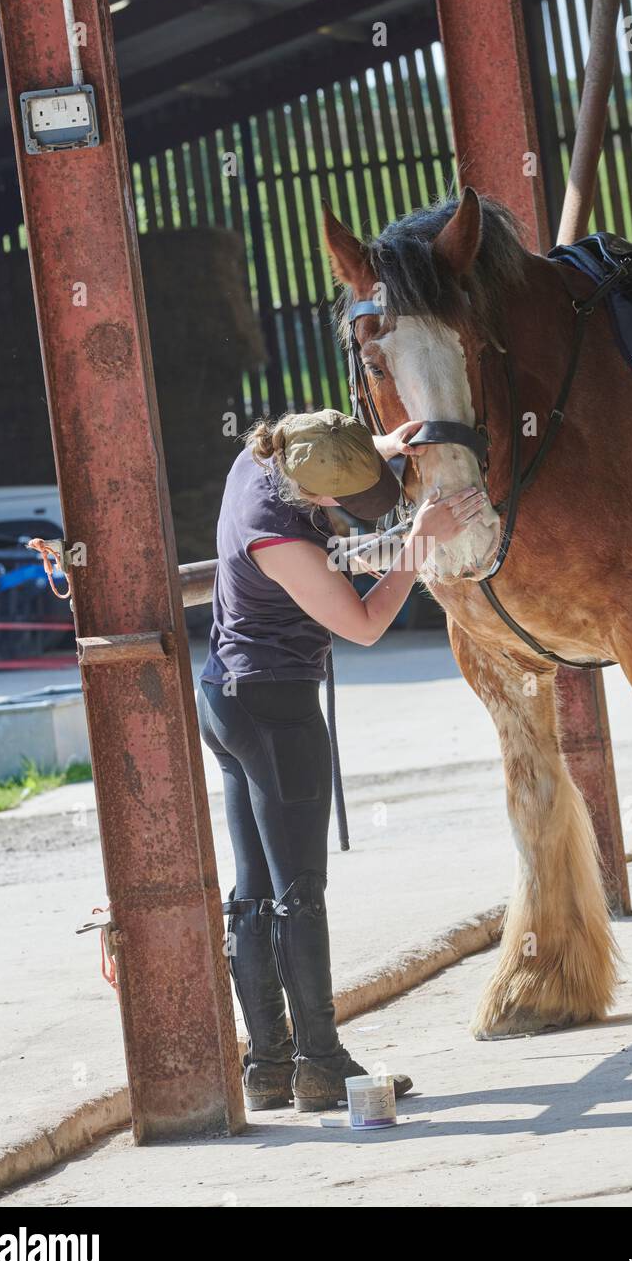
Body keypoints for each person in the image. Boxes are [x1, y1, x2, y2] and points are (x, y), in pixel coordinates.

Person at [197, 406, 486, 1112]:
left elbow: (335, 457)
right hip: (275, 710)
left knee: (256, 886)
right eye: (346, 503)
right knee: (299, 889)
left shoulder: (265, 458)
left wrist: (387, 443)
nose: (354, 513)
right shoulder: (280, 541)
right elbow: (361, 625)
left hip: (229, 698)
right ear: (316, 496)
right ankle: (322, 1064)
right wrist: (416, 544)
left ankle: (267, 1068)